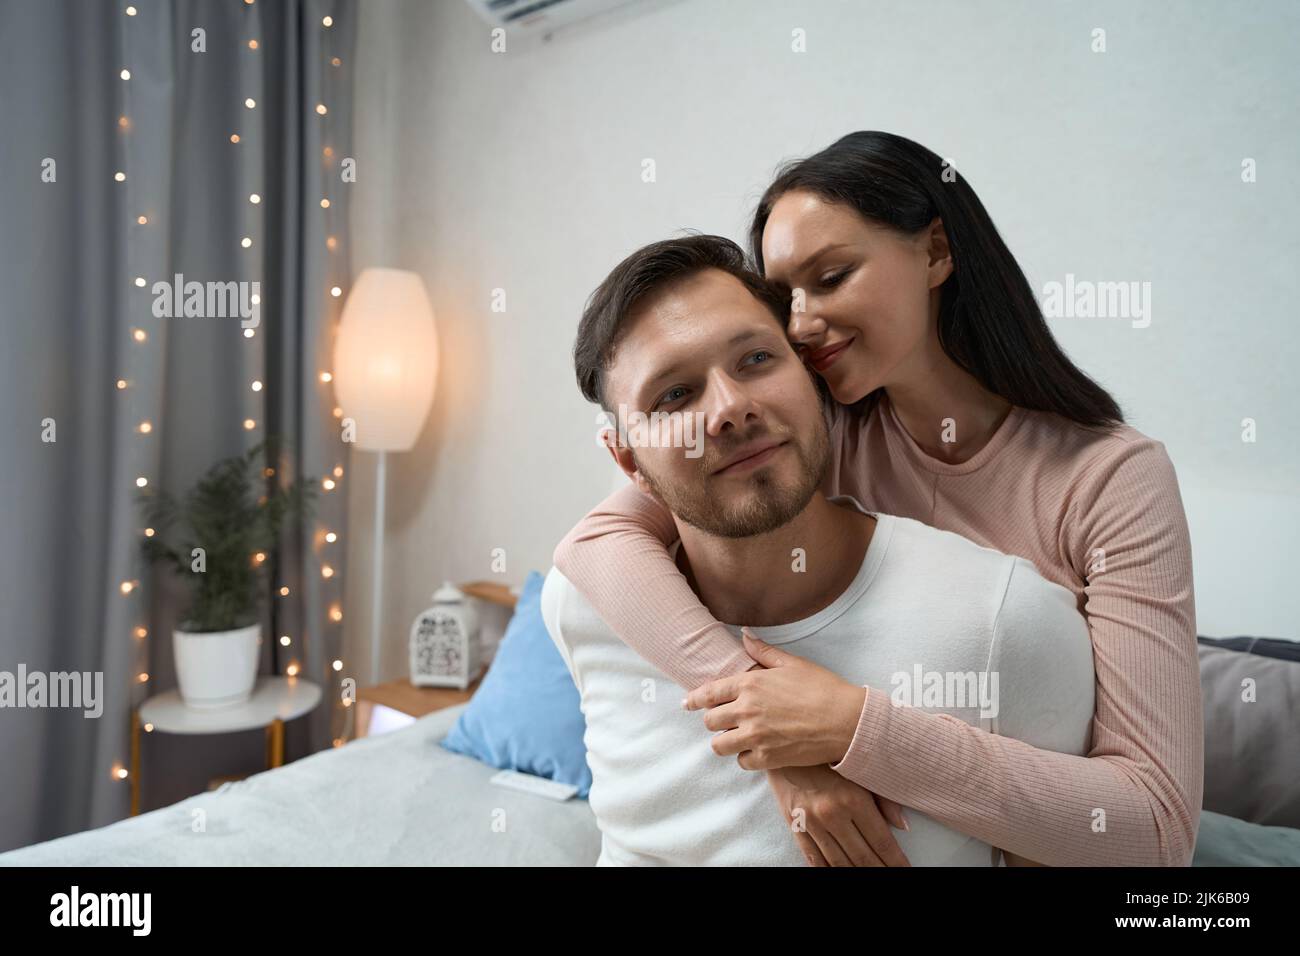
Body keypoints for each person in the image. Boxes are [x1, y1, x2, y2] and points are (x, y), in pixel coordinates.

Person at [555, 132, 1202, 866]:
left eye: (830, 278)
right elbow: (595, 546)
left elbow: (1154, 830)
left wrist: (851, 731)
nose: (800, 323)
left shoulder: (1109, 479)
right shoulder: (813, 420)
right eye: (785, 297)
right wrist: (769, 729)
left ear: (934, 252)